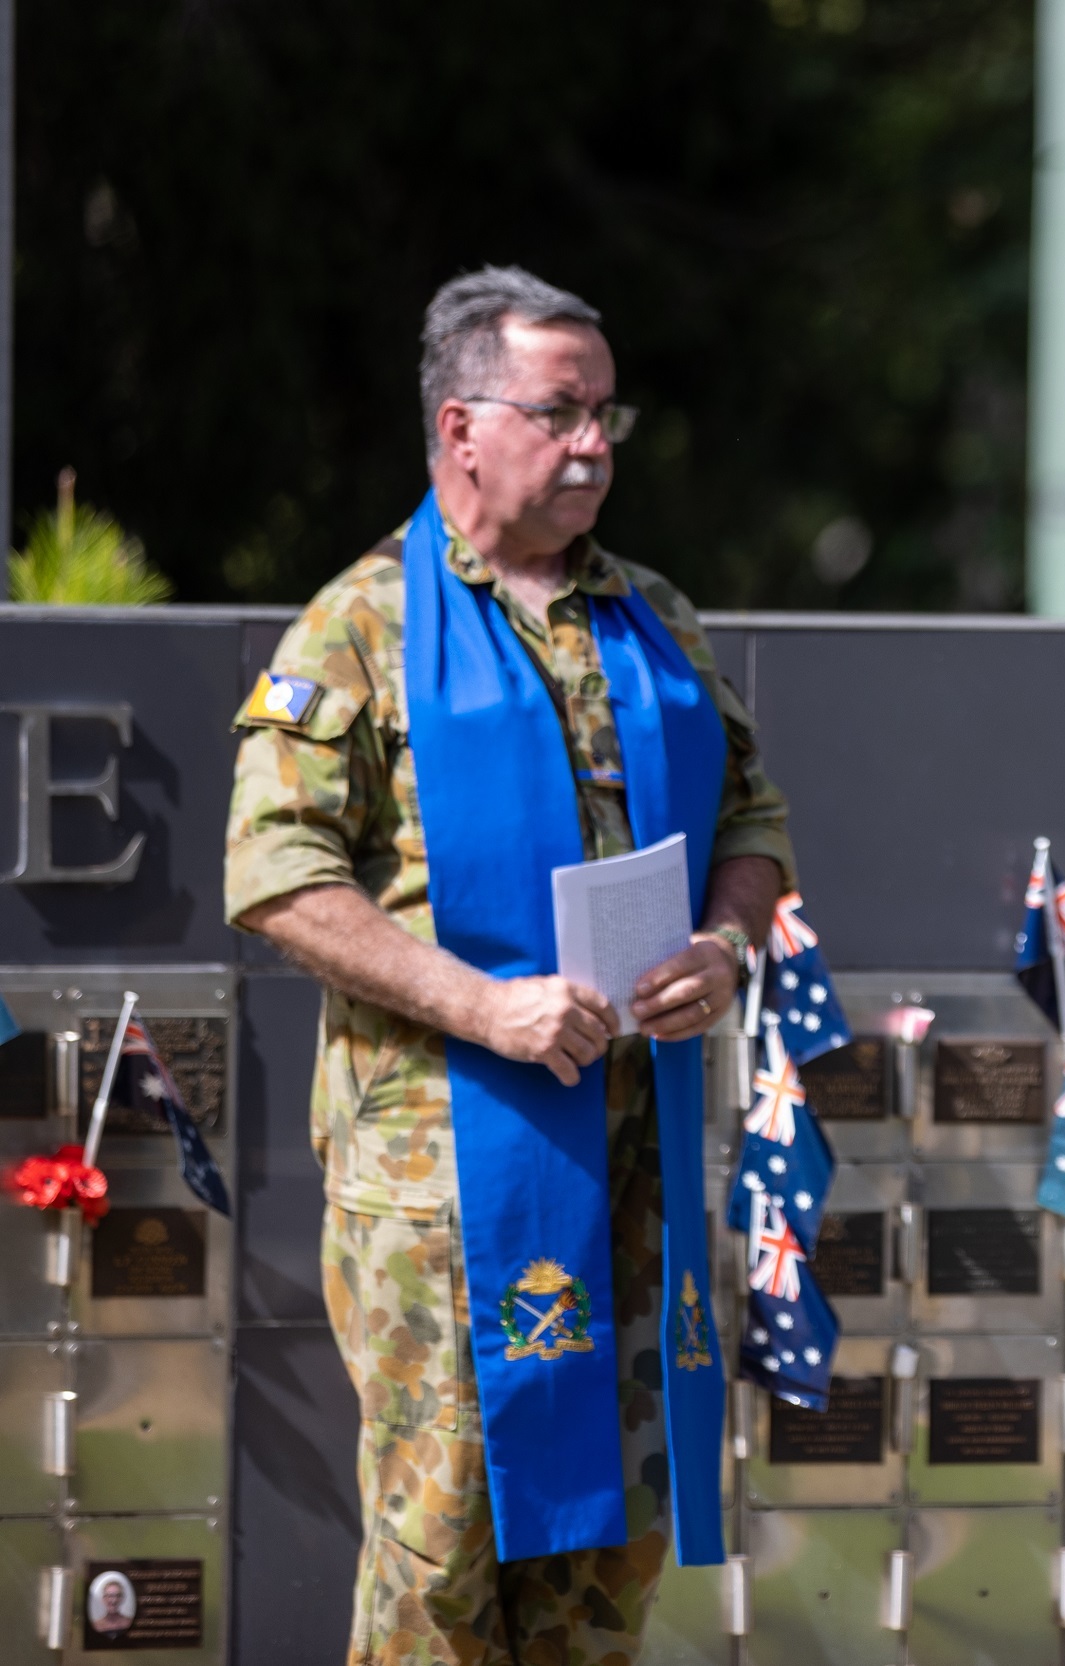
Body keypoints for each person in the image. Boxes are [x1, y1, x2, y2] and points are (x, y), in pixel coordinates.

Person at [224, 267, 794, 1665]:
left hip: (639, 1171)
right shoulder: (361, 625)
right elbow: (274, 873)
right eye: (561, 411)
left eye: (609, 412)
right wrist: (483, 1004)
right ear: (461, 425)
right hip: (447, 1193)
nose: (595, 441)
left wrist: (723, 948)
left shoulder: (652, 618)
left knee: (611, 1562)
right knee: (444, 1558)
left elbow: (754, 823)